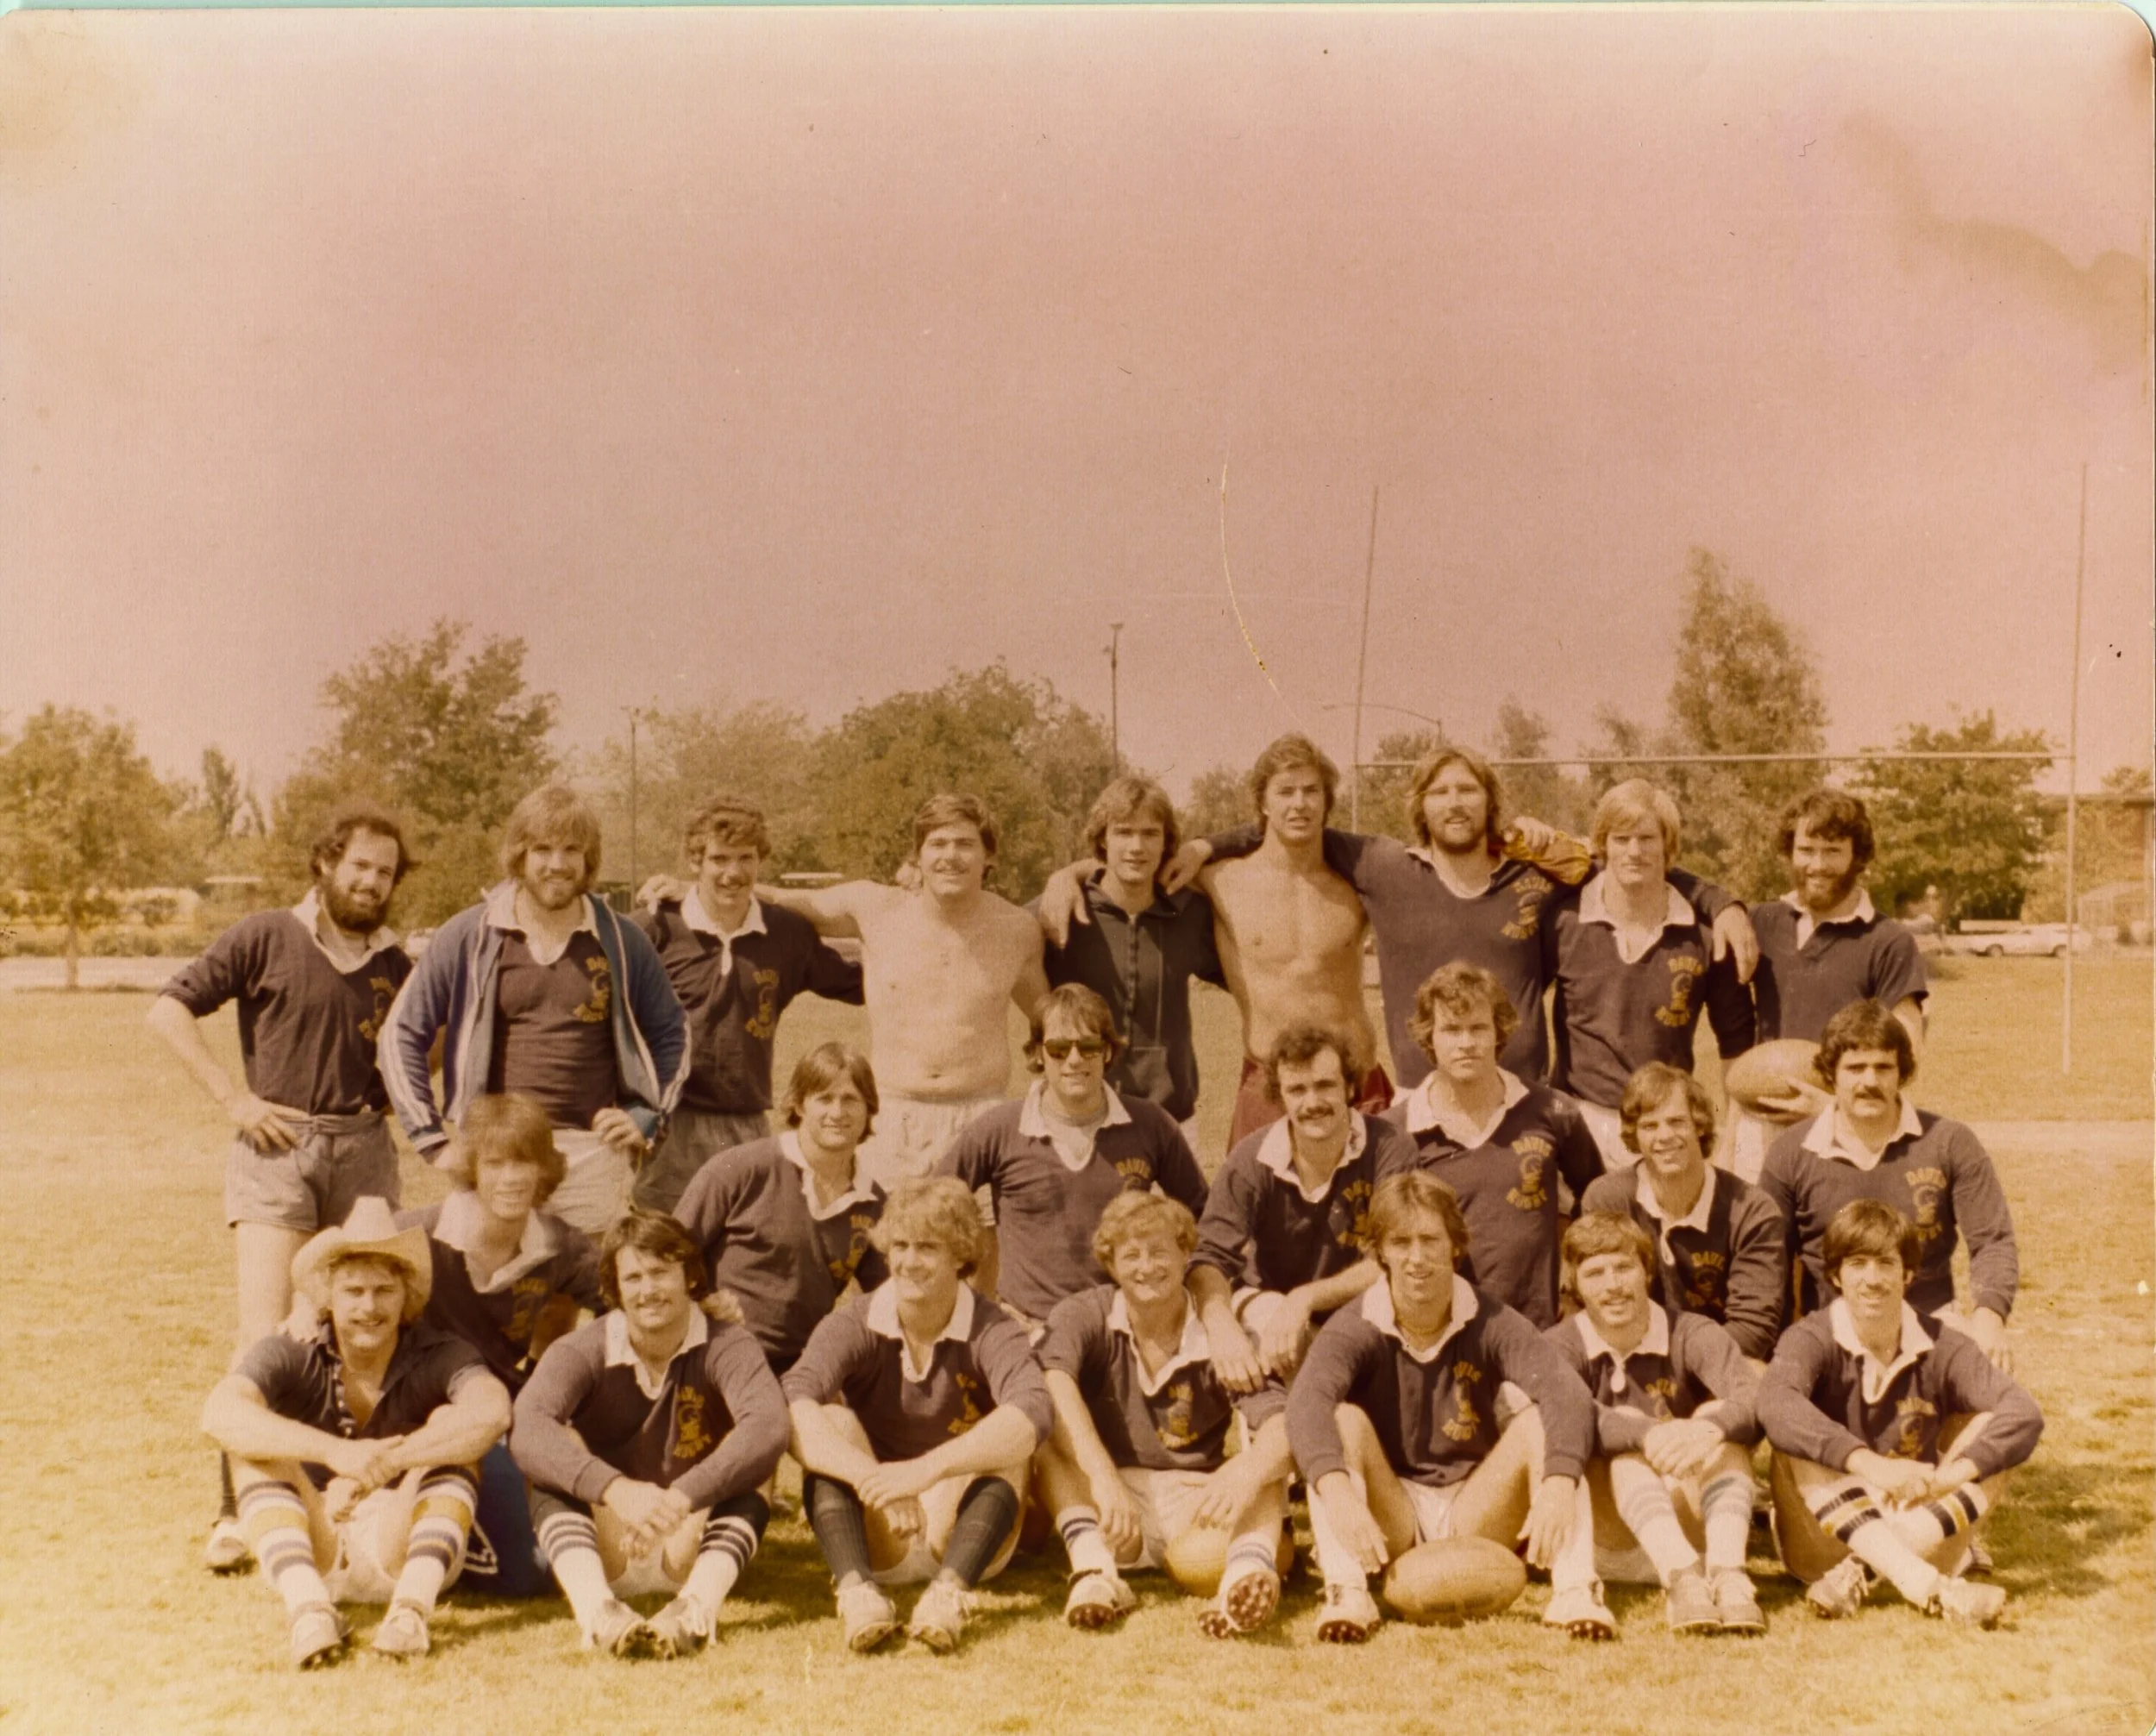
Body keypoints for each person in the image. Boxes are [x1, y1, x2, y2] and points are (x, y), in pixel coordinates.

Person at [1122, 743, 1754, 1087]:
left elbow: (1631, 860)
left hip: (1521, 1101)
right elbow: (1290, 826)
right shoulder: (1384, 866)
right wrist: (1203, 845)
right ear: (1420, 806)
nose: (1455, 803)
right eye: (1440, 791)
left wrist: (1717, 901)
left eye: (1468, 789)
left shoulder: (1533, 876)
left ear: (1490, 802)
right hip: (1418, 1102)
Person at [150, 799, 416, 1573]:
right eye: (359, 865)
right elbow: (168, 1010)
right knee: (268, 1335)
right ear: (326, 862)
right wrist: (233, 1099)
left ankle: (346, 1496)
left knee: (364, 1325)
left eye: (385, 872)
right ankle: (236, 1510)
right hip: (278, 1147)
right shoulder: (267, 934)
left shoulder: (396, 965)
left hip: (364, 1149)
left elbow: (423, 1051)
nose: (371, 882)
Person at [1285, 1171, 1598, 1643]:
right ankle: (1346, 1592)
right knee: (1342, 1420)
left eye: (1430, 1240)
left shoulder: (1490, 1318)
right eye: (1401, 1242)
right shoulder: (1357, 1324)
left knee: (1540, 1423)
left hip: (1476, 1504)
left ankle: (1577, 1591)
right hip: (1394, 1511)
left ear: (1455, 1245)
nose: (1416, 1258)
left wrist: (1557, 1479)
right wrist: (1338, 1490)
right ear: (1380, 1251)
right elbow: (1306, 1403)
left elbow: (1566, 1393)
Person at [199, 1197, 513, 1666]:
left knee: (454, 1431)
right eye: (354, 1291)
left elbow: (493, 1411)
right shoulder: (292, 1350)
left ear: (406, 1296)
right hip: (313, 1541)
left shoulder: (440, 1351)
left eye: (384, 1290)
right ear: (328, 1296)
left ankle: (410, 1615)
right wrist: (335, 1453)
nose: (369, 1307)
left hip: (406, 1544)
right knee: (251, 1446)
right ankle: (309, 1612)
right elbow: (219, 1412)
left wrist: (384, 1463)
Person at [379, 782, 690, 1237]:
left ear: (589, 858)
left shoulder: (622, 940)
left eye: (572, 849)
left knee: (579, 1280)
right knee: (489, 1276)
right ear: (519, 855)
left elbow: (673, 1032)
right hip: (495, 1153)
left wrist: (647, 1114)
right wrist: (432, 1140)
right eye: (542, 849)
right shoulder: (471, 934)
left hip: (589, 1154)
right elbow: (400, 1033)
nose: (557, 864)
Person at [696, 793, 1050, 1190]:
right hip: (891, 1113)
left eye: (965, 844)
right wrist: (691, 890)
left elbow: (1050, 1022)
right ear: (918, 856)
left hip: (981, 1114)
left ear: (989, 856)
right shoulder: (874, 909)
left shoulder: (1016, 929)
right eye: (937, 844)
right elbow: (781, 899)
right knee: (883, 1227)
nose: (950, 856)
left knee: (979, 1230)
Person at [781, 1176, 1054, 1654]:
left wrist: (923, 1471)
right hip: (884, 1520)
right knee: (831, 1421)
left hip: (961, 1523)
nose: (909, 1262)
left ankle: (949, 1596)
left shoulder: (992, 1325)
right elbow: (793, 1400)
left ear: (960, 1256)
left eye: (927, 1247)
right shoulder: (857, 1319)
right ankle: (858, 1592)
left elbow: (1033, 1412)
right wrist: (874, 1478)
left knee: (1008, 1434)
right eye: (900, 1246)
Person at [511, 1210, 790, 1658]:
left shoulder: (728, 1344)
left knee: (755, 1454)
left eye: (660, 1273)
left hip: (690, 1535)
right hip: (610, 1537)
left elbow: (769, 1426)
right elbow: (528, 1427)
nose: (648, 1290)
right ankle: (597, 1612)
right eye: (633, 1278)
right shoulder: (584, 1347)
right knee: (551, 1453)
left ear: (690, 1276)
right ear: (615, 1288)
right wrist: (617, 1491)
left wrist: (680, 1498)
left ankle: (696, 1609)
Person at [1758, 1200, 2040, 1626]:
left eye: (1886, 1264)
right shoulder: (1811, 1337)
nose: (1872, 1280)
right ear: (1835, 1275)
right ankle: (1932, 1589)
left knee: (1992, 1430)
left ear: (1907, 1274)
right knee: (1795, 1440)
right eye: (1857, 1264)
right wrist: (1873, 1467)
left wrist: (1947, 1478)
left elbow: (2024, 1412)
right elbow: (1774, 1403)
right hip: (1823, 1539)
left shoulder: (1942, 1343)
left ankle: (1866, 1570)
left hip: (1922, 1524)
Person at [1036, 1193, 1296, 1638]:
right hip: (1111, 1500)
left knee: (1262, 1471)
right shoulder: (1087, 1313)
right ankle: (1095, 1573)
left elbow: (1284, 1427)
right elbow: (1052, 1381)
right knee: (1045, 1435)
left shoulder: (1220, 1335)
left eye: (1159, 1252)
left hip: (1193, 1495)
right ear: (1110, 1265)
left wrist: (1246, 1472)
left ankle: (1244, 1576)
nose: (1147, 1267)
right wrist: (1102, 1475)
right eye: (1131, 1256)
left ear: (1185, 1254)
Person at [397, 1093, 604, 1598]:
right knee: (523, 1574)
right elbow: (345, 1260)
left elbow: (627, 1295)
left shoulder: (556, 1243)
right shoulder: (424, 1231)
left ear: (544, 1169)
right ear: (472, 1168)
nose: (511, 1178)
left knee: (540, 1567)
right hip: (422, 1417)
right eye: (495, 1163)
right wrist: (305, 1308)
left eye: (524, 1162)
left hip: (500, 1415)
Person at [630, 794, 863, 1213]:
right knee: (666, 1240)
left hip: (747, 1118)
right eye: (719, 859)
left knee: (748, 1237)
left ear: (760, 861)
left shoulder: (786, 933)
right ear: (695, 862)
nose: (733, 873)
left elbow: (864, 984)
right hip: (671, 1124)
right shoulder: (655, 927)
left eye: (746, 858)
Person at [937, 985, 1211, 1332]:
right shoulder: (999, 1129)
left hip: (1122, 1327)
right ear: (1038, 1054)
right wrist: (970, 1304)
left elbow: (1206, 1219)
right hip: (1028, 1327)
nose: (1075, 1060)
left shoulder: (1150, 1124)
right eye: (1059, 1049)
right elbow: (930, 1214)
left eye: (1089, 1047)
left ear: (1107, 1052)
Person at [1759, 1000, 2018, 1366]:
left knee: (1990, 1383)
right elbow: (1766, 1258)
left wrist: (1989, 1316)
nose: (1870, 1081)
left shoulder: (1949, 1142)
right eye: (1855, 1068)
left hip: (1929, 1323)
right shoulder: (1791, 1152)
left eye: (1883, 1067)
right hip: (1830, 1335)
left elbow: (1993, 1240)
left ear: (1902, 1072)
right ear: (1831, 1074)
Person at [1543, 1213, 1765, 1638]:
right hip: (1613, 1539)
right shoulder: (1560, 1344)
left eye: (1623, 1267)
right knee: (1625, 1433)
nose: (1612, 1285)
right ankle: (1678, 1578)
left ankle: (1729, 1576)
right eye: (1595, 1274)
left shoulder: (1689, 1330)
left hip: (1691, 1526)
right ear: (1575, 1285)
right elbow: (1565, 1417)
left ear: (1647, 1272)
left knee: (1722, 1431)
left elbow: (1752, 1394)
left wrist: (1709, 1429)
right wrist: (1647, 1433)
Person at [1188, 1025, 1421, 1390]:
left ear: (1349, 1087)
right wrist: (1221, 1327)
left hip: (1360, 1308)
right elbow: (1208, 1258)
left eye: (1325, 1086)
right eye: (1297, 1090)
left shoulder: (1389, 1146)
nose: (1312, 1103)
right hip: (1276, 1315)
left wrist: (1306, 1298)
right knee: (1273, 1324)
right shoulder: (1252, 1159)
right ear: (1279, 1095)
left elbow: (1394, 1256)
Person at [1544, 780, 1755, 1165]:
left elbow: (1736, 1046)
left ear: (1667, 845)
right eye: (1621, 839)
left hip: (1665, 1125)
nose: (1634, 852)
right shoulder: (1564, 922)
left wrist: (1732, 1143)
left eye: (1646, 839)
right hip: (1579, 1121)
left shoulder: (1706, 935)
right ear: (1603, 845)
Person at [1721, 788, 1929, 1178]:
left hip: (1842, 1128)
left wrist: (1834, 1111)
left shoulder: (1888, 940)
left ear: (1857, 856)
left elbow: (1907, 1056)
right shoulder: (1761, 923)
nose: (1817, 865)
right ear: (1790, 851)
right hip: (1760, 1124)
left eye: (1833, 851)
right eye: (1806, 850)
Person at [1382, 962, 1602, 1328]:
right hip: (1442, 1329)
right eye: (1452, 1030)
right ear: (1429, 1037)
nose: (1466, 1043)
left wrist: (1575, 1284)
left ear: (1499, 1032)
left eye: (1479, 1028)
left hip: (1538, 1325)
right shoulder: (1397, 1130)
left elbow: (1596, 1198)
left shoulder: (1552, 1110)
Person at [673, 1043, 889, 1373]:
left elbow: (889, 1296)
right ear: (799, 1105)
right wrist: (698, 1303)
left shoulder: (872, 1202)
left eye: (851, 1100)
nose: (838, 1112)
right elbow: (666, 1254)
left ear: (868, 1109)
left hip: (800, 1365)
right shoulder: (739, 1170)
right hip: (717, 1353)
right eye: (824, 1099)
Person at [1032, 776, 1227, 1133]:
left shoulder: (1190, 914)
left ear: (1167, 842)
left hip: (1170, 1119)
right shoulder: (1062, 908)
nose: (1137, 847)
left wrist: (1204, 848)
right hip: (1079, 1116)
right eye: (1123, 832)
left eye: (1150, 833)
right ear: (1102, 839)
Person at [1577, 1063, 1785, 1362]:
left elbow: (1752, 1329)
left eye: (1676, 1122)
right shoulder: (1607, 1200)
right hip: (1638, 1358)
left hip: (1723, 1362)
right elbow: (1601, 1302)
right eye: (1650, 1126)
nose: (1665, 1136)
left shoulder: (1752, 1209)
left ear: (1699, 1125)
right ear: (1634, 1135)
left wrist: (1679, 1370)